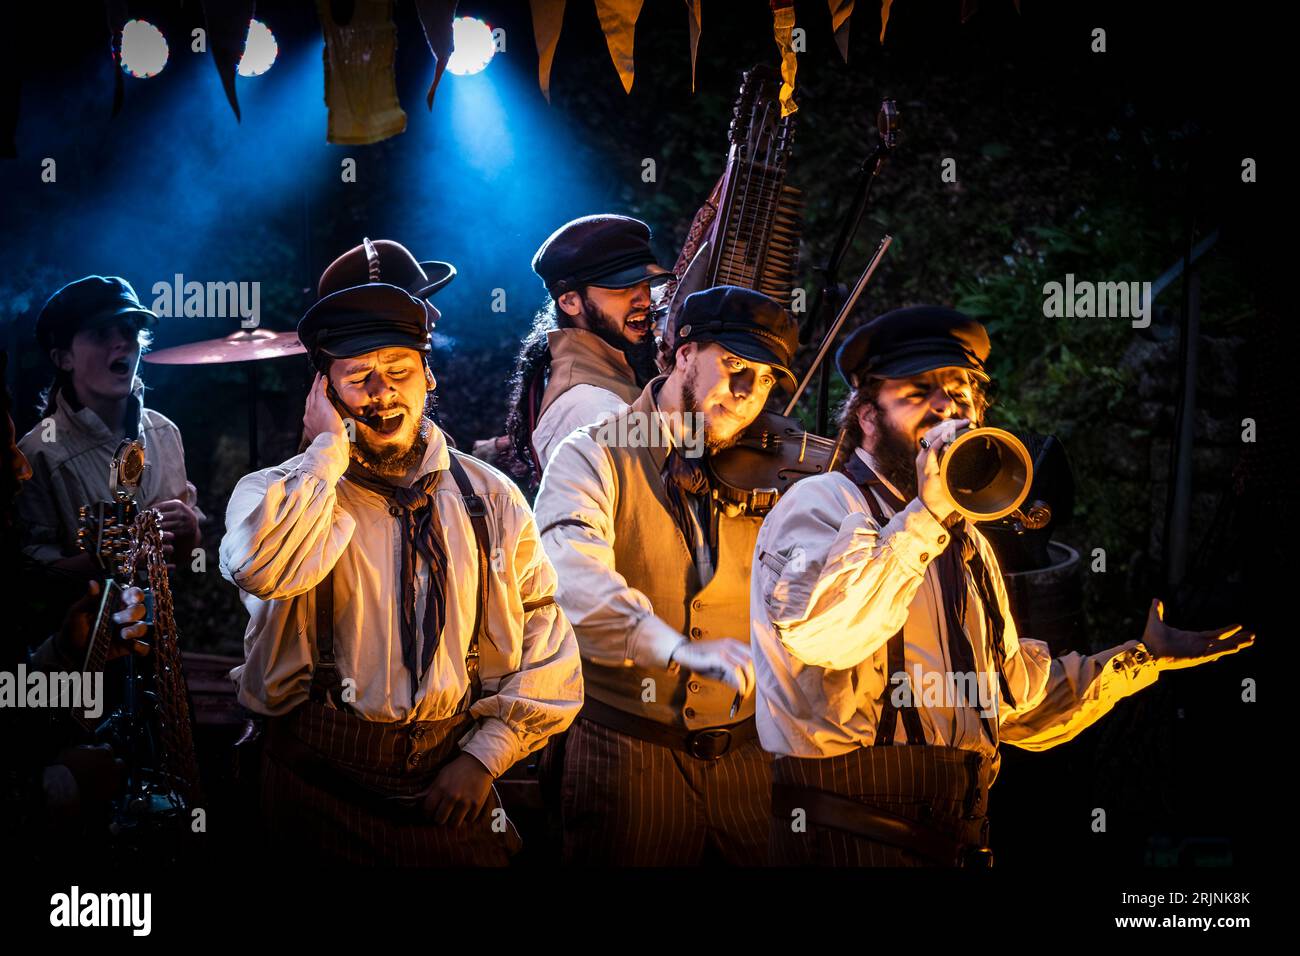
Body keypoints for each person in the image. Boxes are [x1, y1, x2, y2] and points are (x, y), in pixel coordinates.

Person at [751, 306, 1255, 866]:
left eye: (962, 394)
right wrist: (924, 514)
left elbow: (1012, 704)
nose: (948, 407)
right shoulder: (819, 502)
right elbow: (822, 635)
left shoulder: (966, 542)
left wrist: (1141, 659)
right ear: (867, 416)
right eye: (920, 392)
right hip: (844, 836)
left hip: (957, 836)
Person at [219, 259, 583, 865]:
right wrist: (326, 452)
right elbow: (269, 570)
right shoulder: (273, 493)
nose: (382, 391)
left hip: (449, 783)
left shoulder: (488, 497)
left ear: (427, 378)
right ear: (324, 391)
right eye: (357, 376)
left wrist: (481, 756)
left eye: (399, 371)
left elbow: (548, 640)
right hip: (315, 785)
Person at [534, 285, 798, 865]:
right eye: (732, 366)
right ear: (683, 354)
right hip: (626, 755)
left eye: (766, 378)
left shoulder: (782, 473)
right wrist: (674, 647)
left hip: (752, 763)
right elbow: (572, 581)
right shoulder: (592, 454)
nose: (748, 393)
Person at [17, 276, 202, 577]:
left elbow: (186, 557)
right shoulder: (37, 454)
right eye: (101, 333)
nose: (121, 342)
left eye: (129, 330)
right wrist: (109, 562)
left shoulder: (164, 432)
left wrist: (190, 530)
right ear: (64, 358)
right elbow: (29, 577)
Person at [486, 214, 673, 485]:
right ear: (570, 302)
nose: (644, 299)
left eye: (645, 284)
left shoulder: (616, 372)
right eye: (622, 287)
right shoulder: (590, 407)